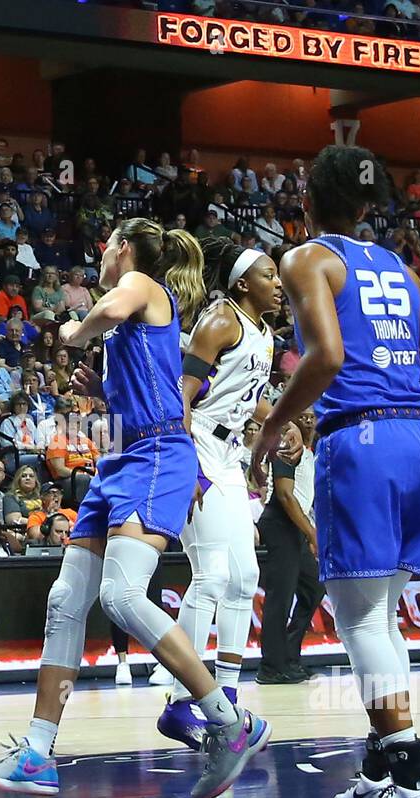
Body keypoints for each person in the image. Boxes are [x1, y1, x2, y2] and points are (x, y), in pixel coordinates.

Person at [0, 217, 270, 798]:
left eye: (105, 249)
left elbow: (108, 308)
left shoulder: (143, 285)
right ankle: (37, 753)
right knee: (65, 599)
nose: (101, 259)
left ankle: (228, 721)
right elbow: (151, 384)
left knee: (122, 597)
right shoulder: (135, 323)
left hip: (156, 454)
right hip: (122, 455)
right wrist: (101, 389)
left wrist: (74, 331)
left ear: (122, 249)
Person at [251, 145, 420, 798]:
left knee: (363, 621)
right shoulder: (398, 267)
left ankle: (413, 779)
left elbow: (327, 356)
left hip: (363, 441)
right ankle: (379, 771)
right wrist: (407, 420)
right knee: (383, 615)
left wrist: (273, 427)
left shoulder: (306, 258)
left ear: (308, 200)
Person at [152, 236, 280, 748]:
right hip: (198, 442)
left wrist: (282, 426)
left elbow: (248, 401)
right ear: (243, 283)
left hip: (229, 452)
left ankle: (225, 696)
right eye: (269, 275)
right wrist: (186, 465)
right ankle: (181, 699)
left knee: (245, 578)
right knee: (212, 575)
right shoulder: (221, 320)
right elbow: (181, 396)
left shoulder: (265, 333)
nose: (278, 284)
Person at [256, 408, 322, 684]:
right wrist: (311, 533)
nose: (307, 419)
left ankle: (290, 658)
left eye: (312, 416)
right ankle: (271, 667)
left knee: (314, 589)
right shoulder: (287, 444)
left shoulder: (309, 452)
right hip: (280, 523)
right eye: (302, 415)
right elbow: (284, 495)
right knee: (279, 597)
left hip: (296, 525)